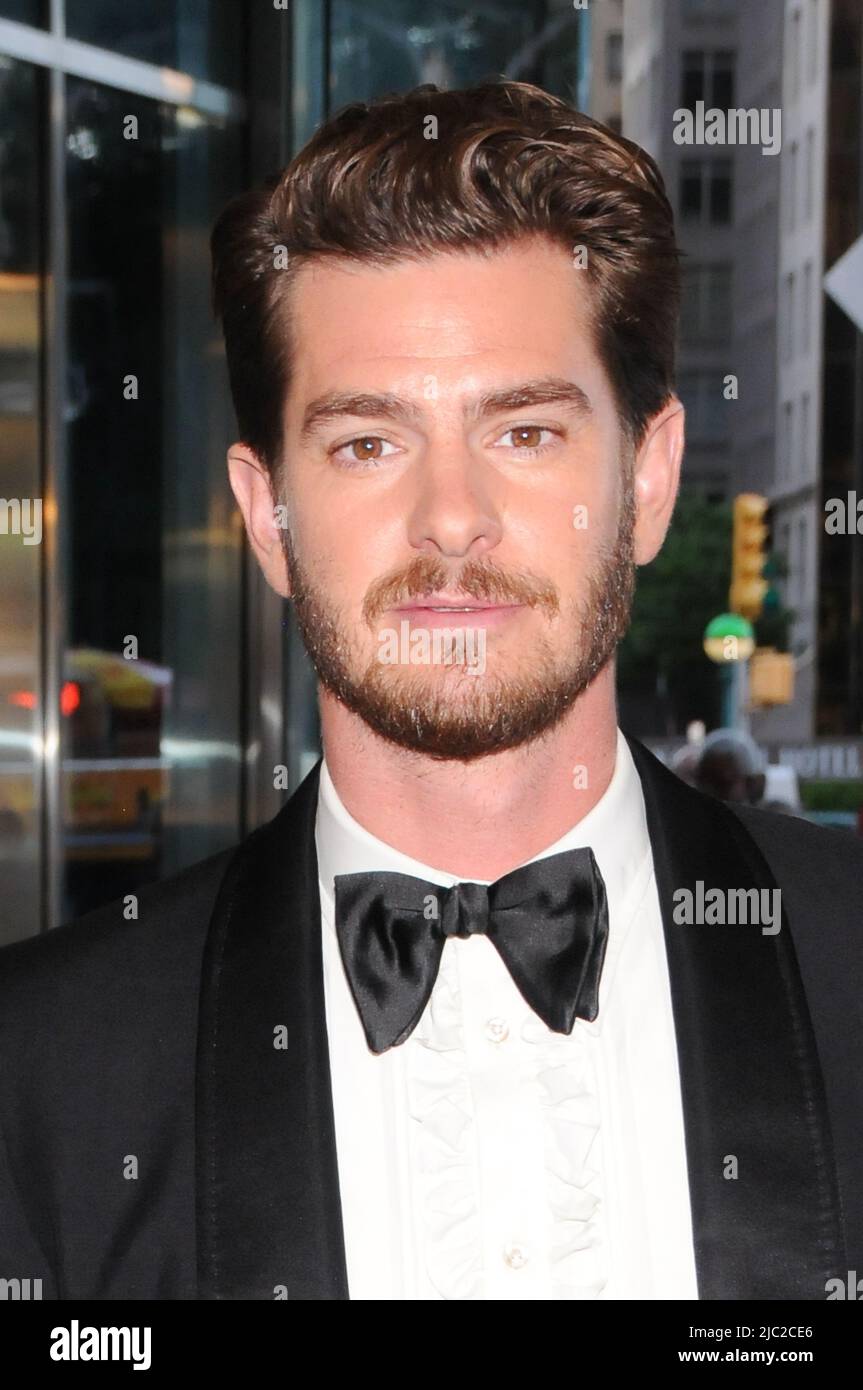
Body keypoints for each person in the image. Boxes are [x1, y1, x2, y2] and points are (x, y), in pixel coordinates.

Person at [1, 80, 861, 1302]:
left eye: (524, 433)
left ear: (649, 480)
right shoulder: (43, 1079)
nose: (449, 517)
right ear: (267, 518)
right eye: (368, 443)